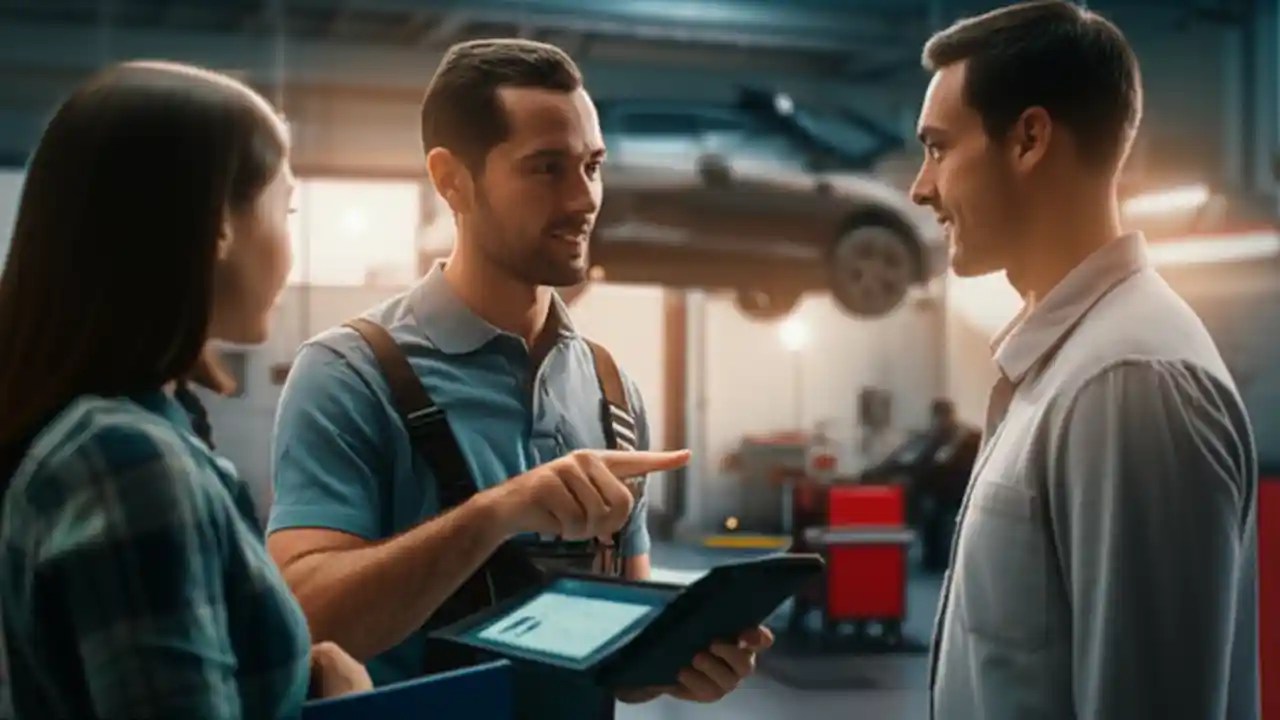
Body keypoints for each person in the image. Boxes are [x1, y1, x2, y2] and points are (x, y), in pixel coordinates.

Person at [266, 38, 771, 719]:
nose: (583, 198)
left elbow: (620, 661)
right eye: (547, 169)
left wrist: (677, 663)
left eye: (592, 166)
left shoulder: (611, 388)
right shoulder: (349, 375)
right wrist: (498, 511)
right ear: (451, 180)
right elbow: (304, 620)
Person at [909, 2, 1259, 718]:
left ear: (1029, 139)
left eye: (939, 148)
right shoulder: (1064, 366)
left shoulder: (1128, 383)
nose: (922, 187)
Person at [0, 60, 372, 719]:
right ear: (219, 225)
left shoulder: (121, 439)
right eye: (283, 208)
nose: (291, 248)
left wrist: (286, 675)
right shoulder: (127, 462)